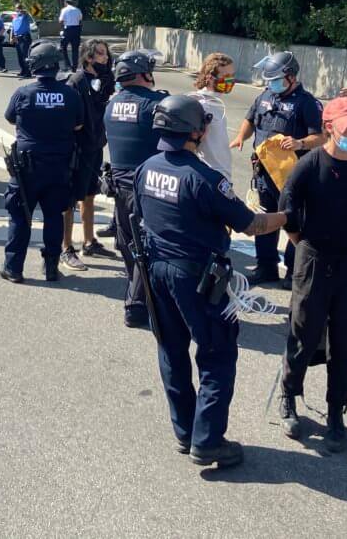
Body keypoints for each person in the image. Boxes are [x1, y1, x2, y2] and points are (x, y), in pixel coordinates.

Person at [137, 94, 287, 468]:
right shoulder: (204, 178)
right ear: (196, 131)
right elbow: (251, 224)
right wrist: (288, 216)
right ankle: (207, 441)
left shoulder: (147, 167)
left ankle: (185, 432)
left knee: (171, 350)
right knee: (217, 354)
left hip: (156, 270)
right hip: (198, 276)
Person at [277, 97, 347, 451]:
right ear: (329, 127)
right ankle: (289, 396)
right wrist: (302, 244)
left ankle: (337, 410)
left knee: (345, 341)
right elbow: (286, 209)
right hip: (314, 258)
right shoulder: (309, 165)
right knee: (303, 333)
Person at [229, 51, 324, 287]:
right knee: (265, 220)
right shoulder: (265, 96)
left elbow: (321, 137)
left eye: (275, 79)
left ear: (290, 77)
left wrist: (300, 143)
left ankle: (293, 272)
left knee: (293, 221)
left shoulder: (307, 103)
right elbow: (250, 120)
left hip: (291, 176)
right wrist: (241, 136)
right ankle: (266, 267)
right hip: (263, 173)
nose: (271, 83)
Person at [0, 41, 83, 283]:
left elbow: (10, 118)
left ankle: (13, 268)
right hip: (59, 165)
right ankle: (51, 268)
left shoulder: (24, 93)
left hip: (27, 166)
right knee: (54, 216)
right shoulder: (70, 94)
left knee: (19, 215)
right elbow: (78, 125)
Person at [104, 49, 166, 326]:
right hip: (146, 186)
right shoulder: (155, 103)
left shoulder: (112, 103)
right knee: (147, 244)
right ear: (144, 73)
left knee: (128, 241)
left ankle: (137, 290)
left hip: (118, 185)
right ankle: (137, 304)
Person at [62, 40, 117, 266]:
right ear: (89, 58)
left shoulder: (105, 80)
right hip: (78, 147)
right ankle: (66, 247)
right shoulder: (75, 81)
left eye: (106, 54)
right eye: (101, 54)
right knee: (70, 198)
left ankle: (89, 241)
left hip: (96, 145)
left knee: (90, 195)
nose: (106, 58)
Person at [187, 53, 235, 181]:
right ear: (210, 77)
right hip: (210, 175)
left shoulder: (215, 102)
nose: (230, 80)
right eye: (225, 76)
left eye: (232, 75)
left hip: (221, 174)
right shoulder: (201, 104)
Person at [58, 0, 83, 70]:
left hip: (68, 29)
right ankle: (74, 67)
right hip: (76, 30)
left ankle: (68, 64)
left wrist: (62, 29)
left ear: (66, 3)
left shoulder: (64, 10)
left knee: (63, 47)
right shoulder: (78, 10)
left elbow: (61, 21)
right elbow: (80, 20)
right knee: (75, 49)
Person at [11, 3, 35, 78]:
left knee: (25, 55)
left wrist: (22, 10)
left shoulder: (25, 16)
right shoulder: (15, 18)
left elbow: (26, 12)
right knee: (20, 56)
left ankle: (28, 72)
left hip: (25, 37)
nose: (18, 9)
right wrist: (12, 37)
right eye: (17, 8)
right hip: (17, 38)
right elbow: (13, 28)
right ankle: (23, 70)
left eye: (19, 8)